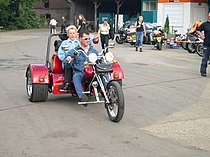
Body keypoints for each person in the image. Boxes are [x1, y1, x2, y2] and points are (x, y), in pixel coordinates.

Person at [65, 30, 99, 103]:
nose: (88, 41)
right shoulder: (74, 50)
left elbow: (99, 60)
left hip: (92, 72)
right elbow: (67, 65)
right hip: (80, 72)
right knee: (76, 76)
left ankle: (109, 91)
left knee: (103, 73)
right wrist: (68, 59)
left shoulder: (93, 50)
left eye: (89, 39)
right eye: (86, 39)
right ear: (80, 39)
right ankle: (81, 96)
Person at [58, 25, 80, 90]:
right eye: (70, 33)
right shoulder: (65, 43)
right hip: (68, 61)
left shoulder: (79, 42)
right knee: (69, 63)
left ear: (76, 34)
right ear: (68, 34)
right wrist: (66, 58)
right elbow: (61, 54)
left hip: (79, 62)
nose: (72, 35)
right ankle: (67, 83)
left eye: (74, 33)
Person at [196, 12, 210, 77]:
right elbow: (198, 30)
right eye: (209, 16)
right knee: (205, 58)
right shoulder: (205, 24)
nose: (209, 17)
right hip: (207, 44)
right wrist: (202, 36)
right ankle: (203, 71)